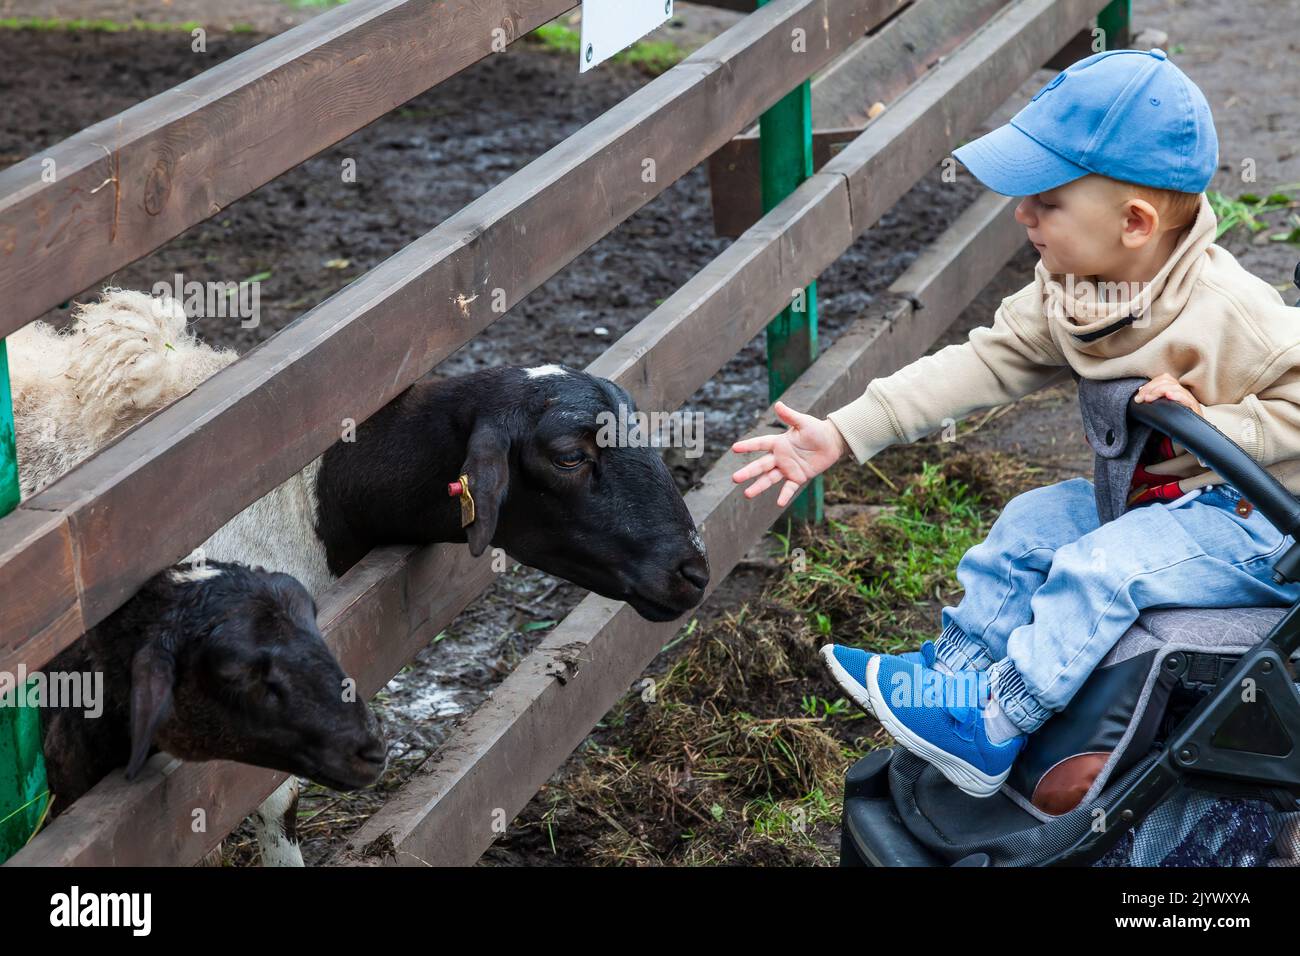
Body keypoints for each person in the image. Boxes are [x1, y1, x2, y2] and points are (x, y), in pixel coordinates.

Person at [730, 49, 1300, 797]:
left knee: (1101, 567)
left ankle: (997, 724)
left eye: (1047, 200)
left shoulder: (1233, 315)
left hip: (1261, 524)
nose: (1022, 212)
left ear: (1134, 223)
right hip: (1161, 498)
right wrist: (842, 432)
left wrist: (1224, 426)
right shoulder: (1070, 290)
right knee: (1032, 522)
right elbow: (980, 363)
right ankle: (952, 681)